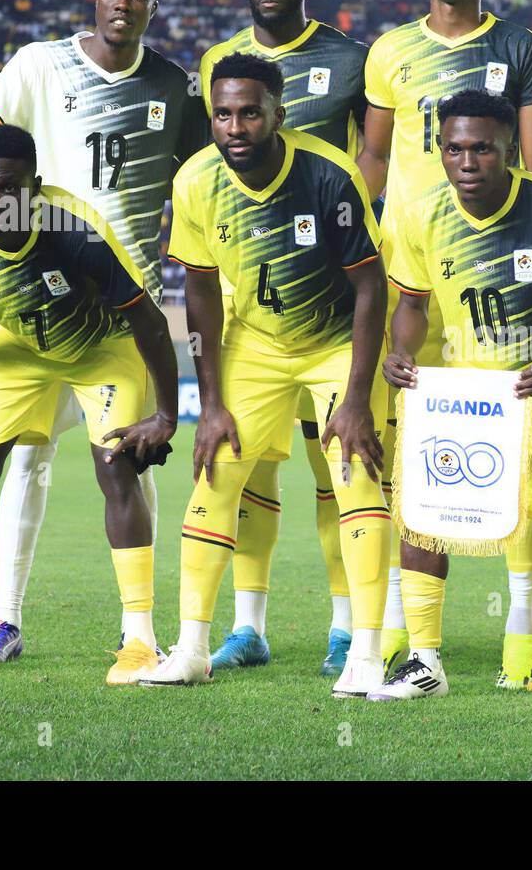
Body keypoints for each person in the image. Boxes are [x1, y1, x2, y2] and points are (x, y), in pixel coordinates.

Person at [0, 0, 208, 668]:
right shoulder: (39, 64)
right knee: (22, 462)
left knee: (130, 464)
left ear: (152, 3)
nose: (123, 4)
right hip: (35, 300)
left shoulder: (175, 86)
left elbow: (207, 173)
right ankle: (4, 622)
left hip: (121, 305)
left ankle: (138, 633)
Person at [140, 55, 390, 699]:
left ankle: (366, 651)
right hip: (254, 345)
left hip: (337, 342)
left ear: (279, 113)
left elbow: (371, 289)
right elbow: (196, 293)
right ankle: (192, 647)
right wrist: (212, 400)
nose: (235, 126)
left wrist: (357, 397)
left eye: (250, 112)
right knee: (216, 468)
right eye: (222, 114)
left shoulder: (329, 175)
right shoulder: (195, 181)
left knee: (355, 473)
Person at [0, 125, 180, 683]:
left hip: (104, 346)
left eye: (7, 189)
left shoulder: (75, 231)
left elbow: (149, 321)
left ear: (35, 186)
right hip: (20, 348)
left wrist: (165, 415)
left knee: (117, 466)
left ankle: (140, 641)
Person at [356, 0, 532, 686]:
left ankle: (521, 619)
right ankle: (416, 640)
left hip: (498, 270)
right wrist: (355, 234)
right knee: (416, 453)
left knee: (515, 439)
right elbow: (373, 155)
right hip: (415, 271)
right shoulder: (390, 51)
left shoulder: (522, 47)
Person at [379, 90, 532, 715]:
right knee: (423, 518)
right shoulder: (421, 215)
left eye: (482, 148)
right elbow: (410, 306)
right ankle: (425, 661)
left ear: (510, 149)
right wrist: (401, 352)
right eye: (455, 148)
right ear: (439, 151)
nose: (467, 160)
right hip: (468, 397)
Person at [198, 0, 371, 678]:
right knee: (249, 469)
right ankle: (248, 627)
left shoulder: (349, 59)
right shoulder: (219, 64)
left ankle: (345, 629)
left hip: (329, 290)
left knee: (337, 462)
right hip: (248, 299)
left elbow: (373, 155)